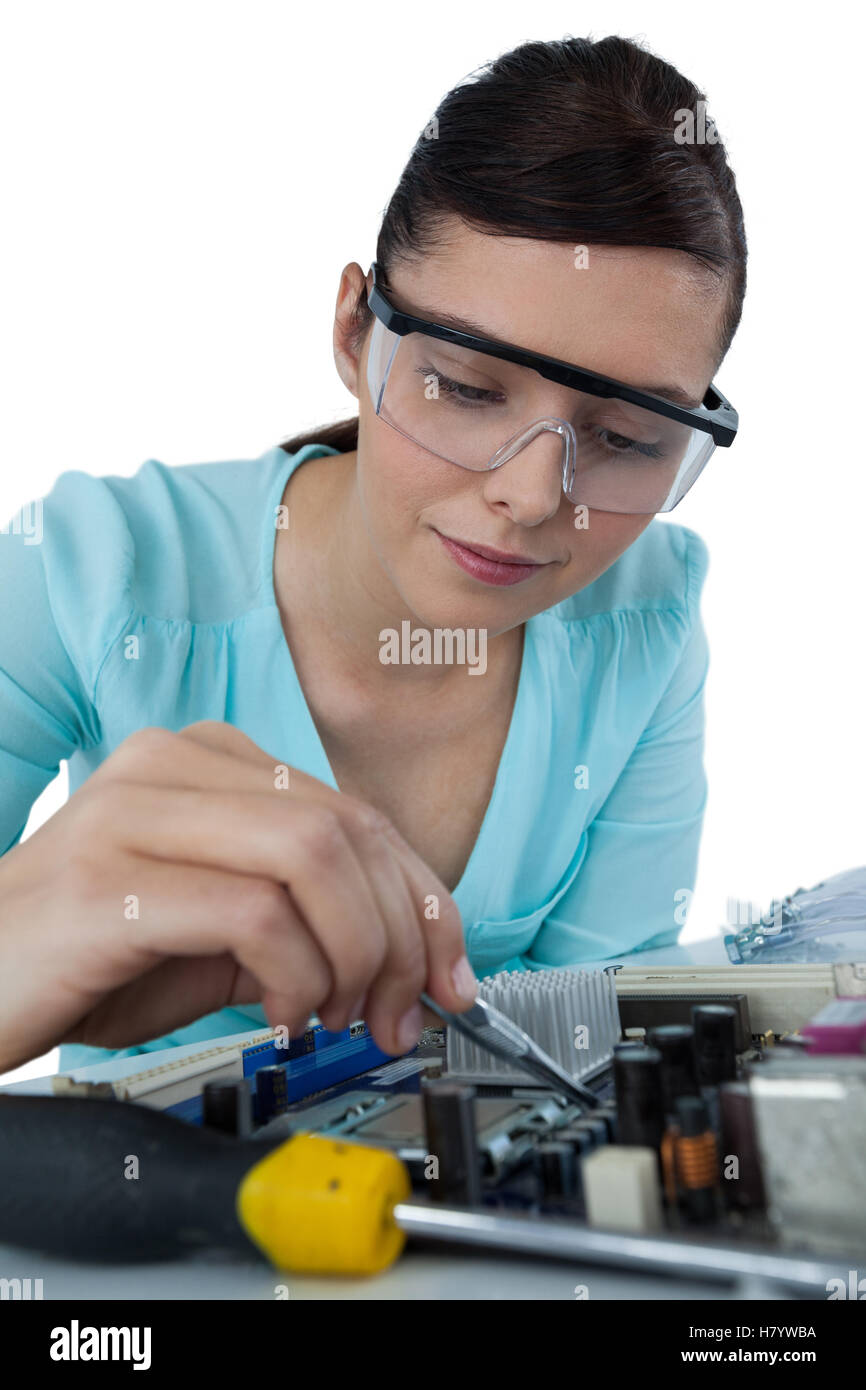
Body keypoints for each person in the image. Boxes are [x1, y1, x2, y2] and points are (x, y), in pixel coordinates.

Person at [0, 34, 746, 1075]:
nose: (531, 498)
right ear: (355, 332)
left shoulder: (650, 622)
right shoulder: (85, 569)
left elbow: (591, 1059)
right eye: (468, 389)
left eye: (625, 439)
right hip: (130, 1222)